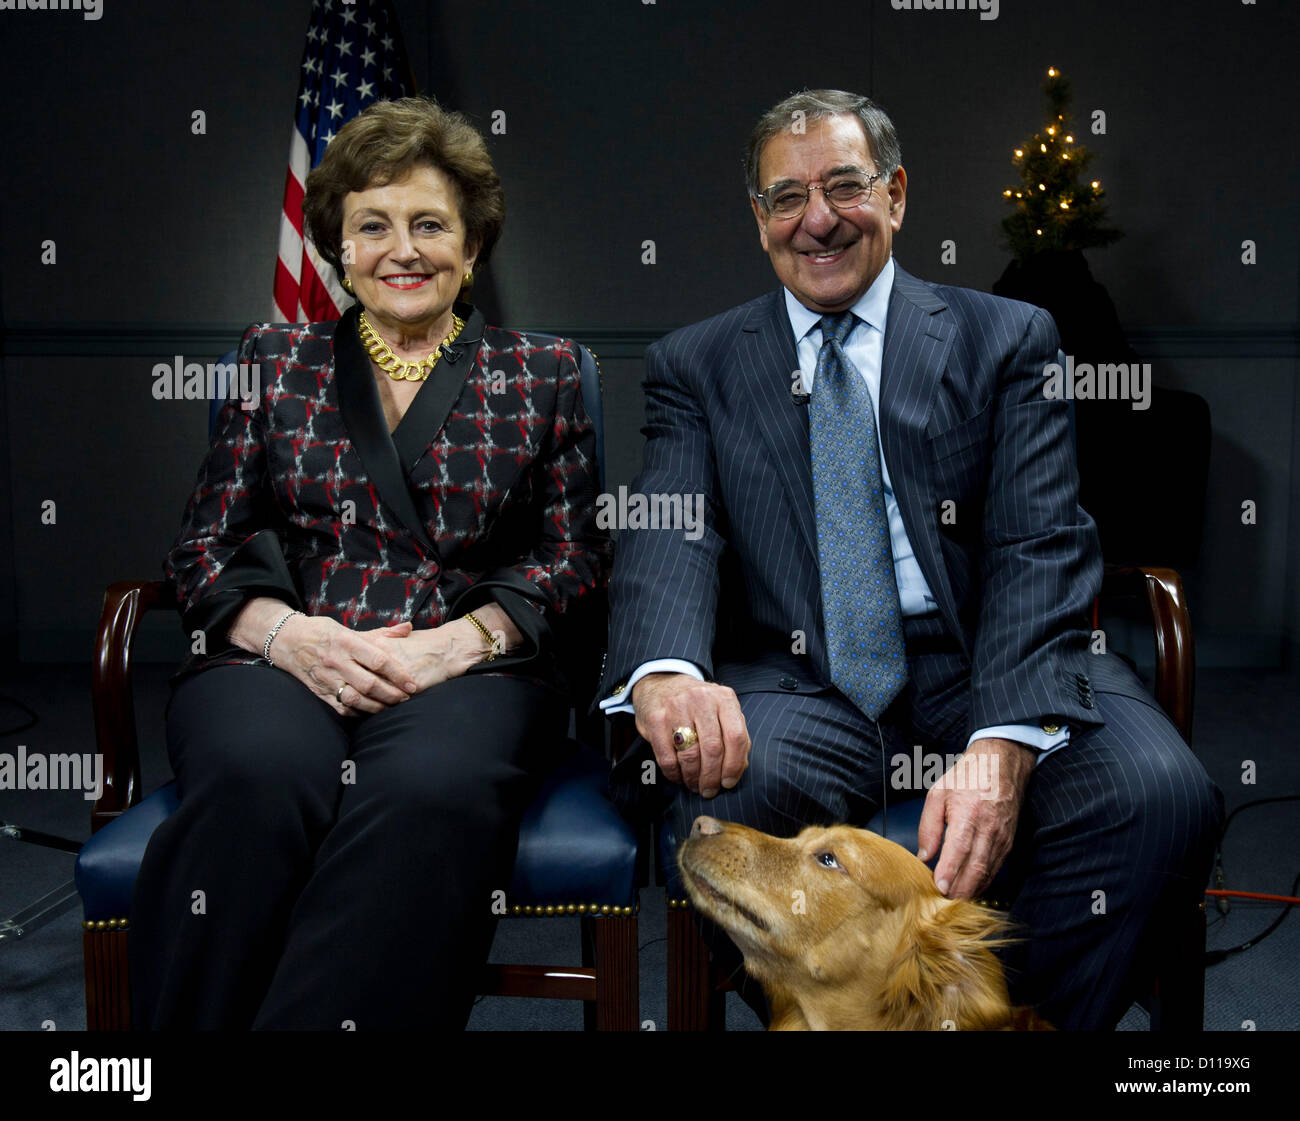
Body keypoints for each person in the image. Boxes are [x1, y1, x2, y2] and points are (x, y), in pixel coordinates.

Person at [602, 89, 1222, 1030]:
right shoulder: (698, 362)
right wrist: (668, 671)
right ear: (760, 219)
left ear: (894, 194)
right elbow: (669, 525)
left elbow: (1038, 543)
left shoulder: (1007, 337)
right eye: (786, 197)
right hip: (802, 673)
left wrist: (1005, 739)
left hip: (983, 661)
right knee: (734, 782)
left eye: (844, 186)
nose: (817, 220)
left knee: (1159, 798)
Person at [130, 97, 612, 1030]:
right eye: (373, 225)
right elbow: (202, 547)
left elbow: (577, 556)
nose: (405, 248)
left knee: (427, 792)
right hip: (287, 655)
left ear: (472, 248)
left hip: (468, 669)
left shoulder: (542, 372)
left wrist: (457, 646)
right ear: (339, 250)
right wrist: (288, 635)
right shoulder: (272, 361)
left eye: (431, 223)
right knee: (256, 776)